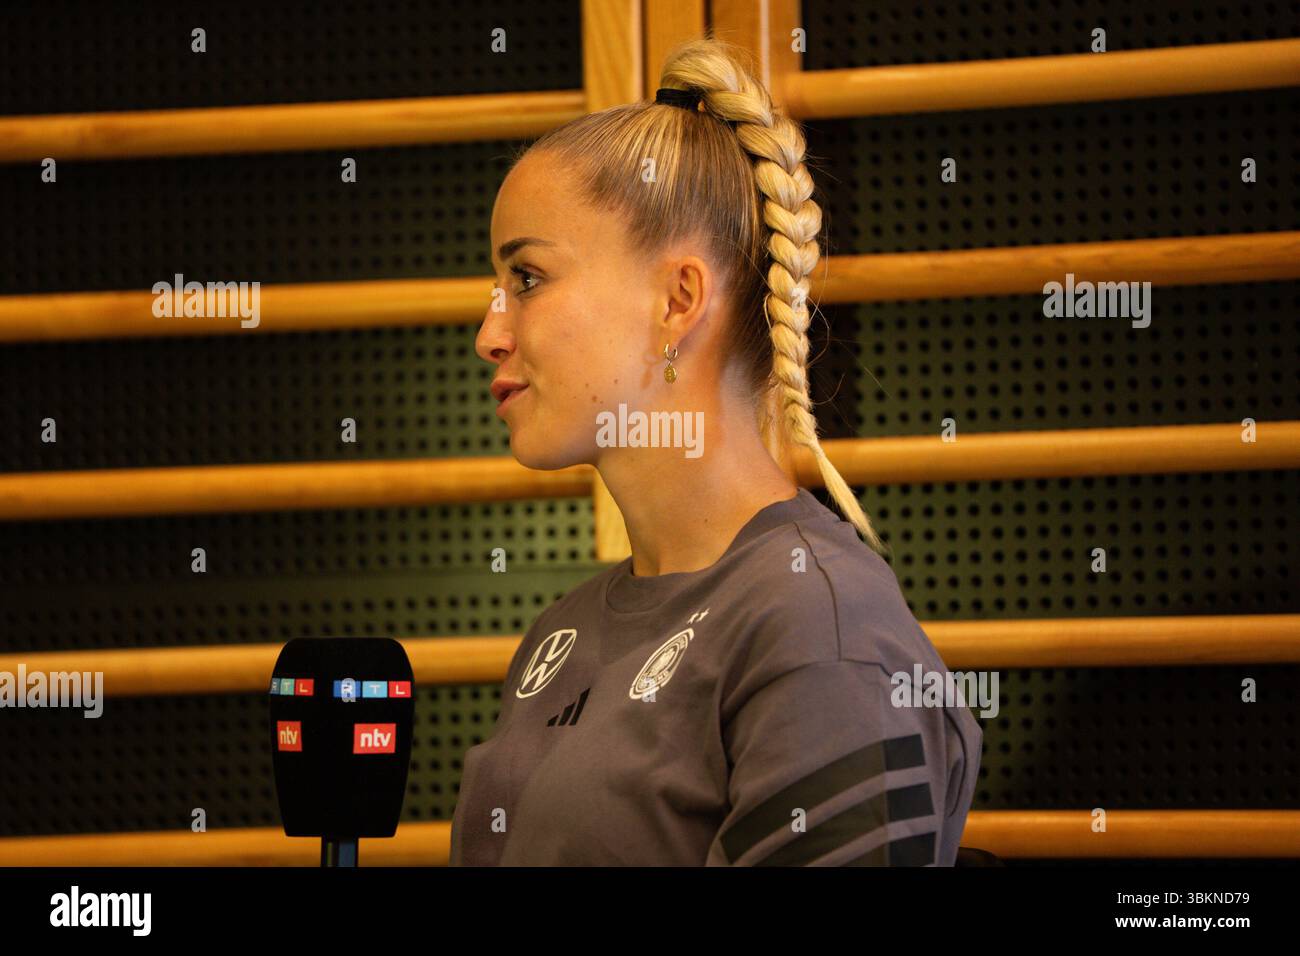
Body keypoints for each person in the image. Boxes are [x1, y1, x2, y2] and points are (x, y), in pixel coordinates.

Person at [452, 36, 982, 865]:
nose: (490, 334)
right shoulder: (561, 634)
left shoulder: (817, 625)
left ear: (677, 300)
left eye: (526, 279)